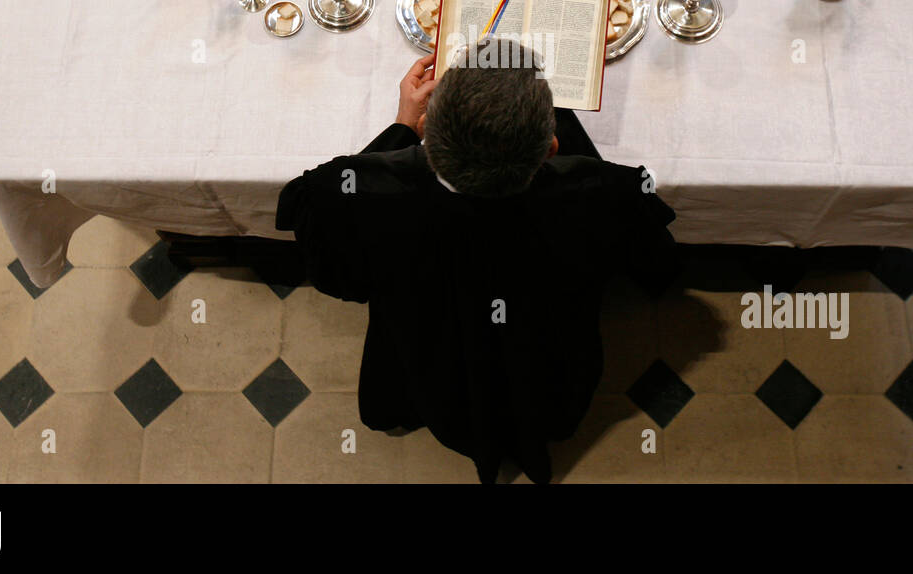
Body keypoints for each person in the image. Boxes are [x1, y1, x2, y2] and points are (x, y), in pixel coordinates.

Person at [276, 44, 677, 484]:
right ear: (552, 147)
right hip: (550, 367)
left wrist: (401, 127)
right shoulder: (606, 193)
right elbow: (653, 265)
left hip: (429, 361)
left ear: (430, 133)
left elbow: (338, 279)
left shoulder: (353, 196)